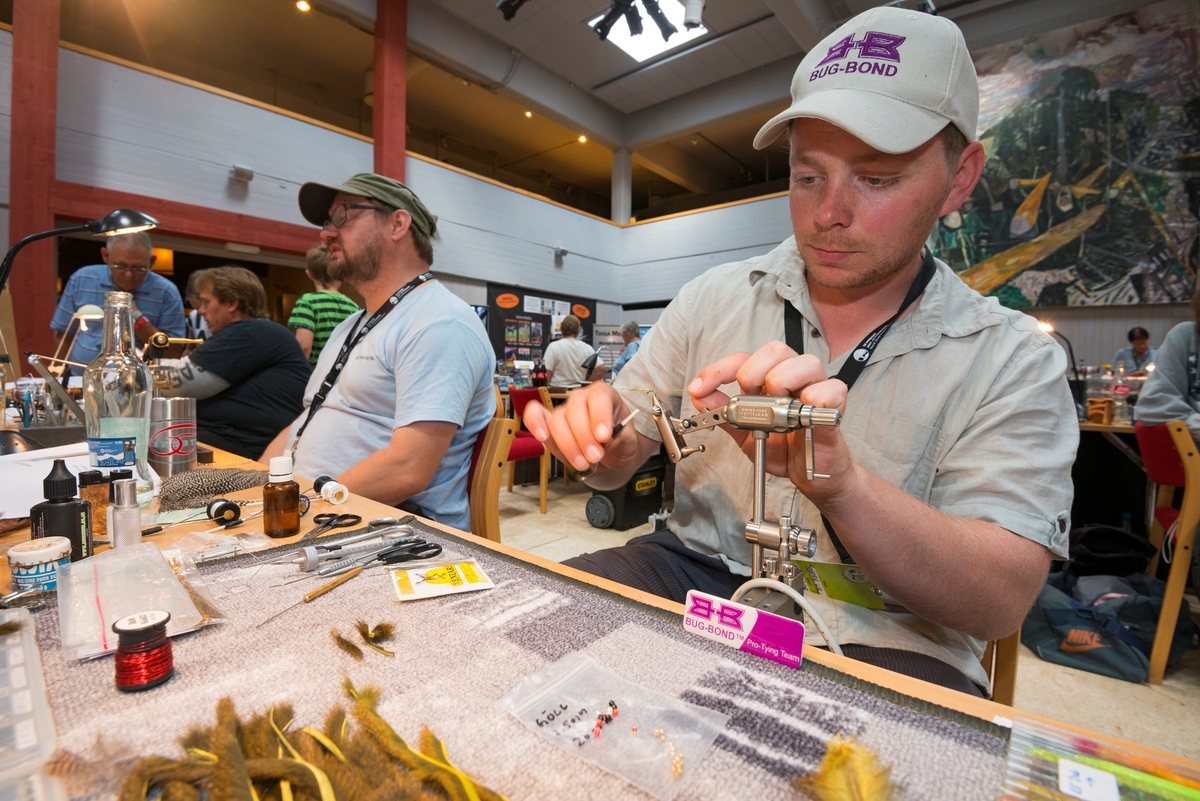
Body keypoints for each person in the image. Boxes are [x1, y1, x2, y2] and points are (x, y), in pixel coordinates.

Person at [523, 7, 1077, 696]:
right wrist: (605, 443)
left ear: (959, 177)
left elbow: (997, 602)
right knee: (523, 640)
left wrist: (846, 488)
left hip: (885, 623)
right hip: (692, 572)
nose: (828, 213)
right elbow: (618, 463)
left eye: (875, 179)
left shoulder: (1011, 358)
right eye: (807, 177)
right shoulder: (709, 298)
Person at [261, 173, 494, 532]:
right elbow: (305, 421)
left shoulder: (440, 322)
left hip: (389, 527)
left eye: (343, 216)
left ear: (398, 223)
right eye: (327, 221)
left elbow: (407, 468)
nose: (326, 233)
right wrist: (257, 485)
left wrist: (300, 507)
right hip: (319, 514)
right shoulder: (350, 325)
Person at [157, 266, 310, 460]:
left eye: (206, 302)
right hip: (228, 445)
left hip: (241, 451)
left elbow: (186, 381)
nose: (201, 311)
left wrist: (135, 370)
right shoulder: (256, 333)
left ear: (231, 303)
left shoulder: (251, 331)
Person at [50, 232, 185, 369]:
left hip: (136, 385)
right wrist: (57, 375)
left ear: (152, 262)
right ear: (105, 256)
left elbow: (173, 353)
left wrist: (136, 317)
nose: (128, 274)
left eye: (138, 268)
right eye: (120, 266)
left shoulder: (167, 292)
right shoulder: (82, 280)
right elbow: (64, 336)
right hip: (79, 378)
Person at [1132, 295, 1200, 440]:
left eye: (1143, 342)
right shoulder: (1186, 335)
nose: (1140, 345)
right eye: (1137, 343)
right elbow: (1153, 404)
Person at [287, 245, 361, 366]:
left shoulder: (307, 302)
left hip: (315, 374)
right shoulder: (354, 307)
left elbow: (304, 347)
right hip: (342, 376)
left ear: (309, 274)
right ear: (338, 273)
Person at [544, 315, 605, 385]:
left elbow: (547, 372)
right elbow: (601, 368)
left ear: (561, 329)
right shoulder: (587, 348)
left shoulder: (554, 346)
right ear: (578, 330)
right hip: (578, 392)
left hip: (558, 391)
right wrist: (588, 383)